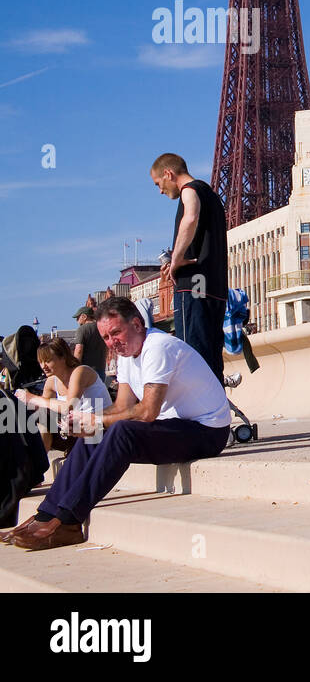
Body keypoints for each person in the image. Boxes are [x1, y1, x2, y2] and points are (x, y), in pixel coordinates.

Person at [1, 297, 230, 551]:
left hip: (208, 430)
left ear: (137, 324)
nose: (112, 342)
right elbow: (121, 406)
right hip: (176, 426)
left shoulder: (158, 347)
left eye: (116, 332)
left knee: (120, 431)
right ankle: (46, 514)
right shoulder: (126, 356)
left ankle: (67, 521)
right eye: (106, 337)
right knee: (95, 434)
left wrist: (97, 420)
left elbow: (146, 412)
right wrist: (87, 423)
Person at [151, 153, 230, 383]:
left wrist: (175, 259)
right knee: (211, 357)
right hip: (214, 288)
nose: (160, 191)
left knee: (192, 355)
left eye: (159, 184)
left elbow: (190, 218)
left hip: (192, 286)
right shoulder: (212, 196)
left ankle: (200, 416)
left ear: (168, 174)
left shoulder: (190, 190)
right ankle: (216, 413)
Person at [13, 337, 113, 455]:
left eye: (48, 360)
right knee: (40, 419)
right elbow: (43, 411)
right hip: (75, 432)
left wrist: (33, 398)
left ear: (63, 357)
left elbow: (68, 407)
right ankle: (36, 466)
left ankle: (37, 466)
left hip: (99, 431)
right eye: (40, 362)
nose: (43, 366)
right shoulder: (51, 382)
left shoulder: (81, 372)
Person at [71, 306, 108, 383]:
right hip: (101, 369)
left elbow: (79, 350)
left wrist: (75, 368)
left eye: (78, 318)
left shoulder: (82, 329)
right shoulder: (102, 328)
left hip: (86, 371)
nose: (77, 321)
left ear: (84, 316)